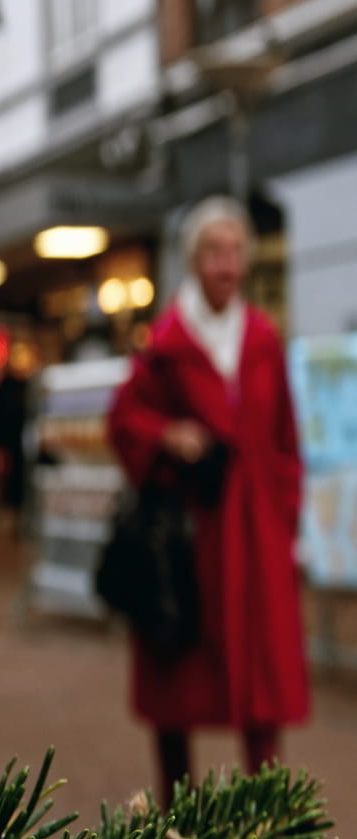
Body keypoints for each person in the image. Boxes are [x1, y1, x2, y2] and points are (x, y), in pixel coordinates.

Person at [107, 197, 309, 807]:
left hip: (256, 534)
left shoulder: (263, 338)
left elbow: (285, 439)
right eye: (215, 252)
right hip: (190, 538)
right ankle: (177, 823)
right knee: (178, 680)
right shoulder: (168, 342)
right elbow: (124, 419)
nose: (227, 264)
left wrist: (285, 516)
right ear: (194, 261)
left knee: (262, 681)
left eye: (236, 251)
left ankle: (271, 825)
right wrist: (167, 435)